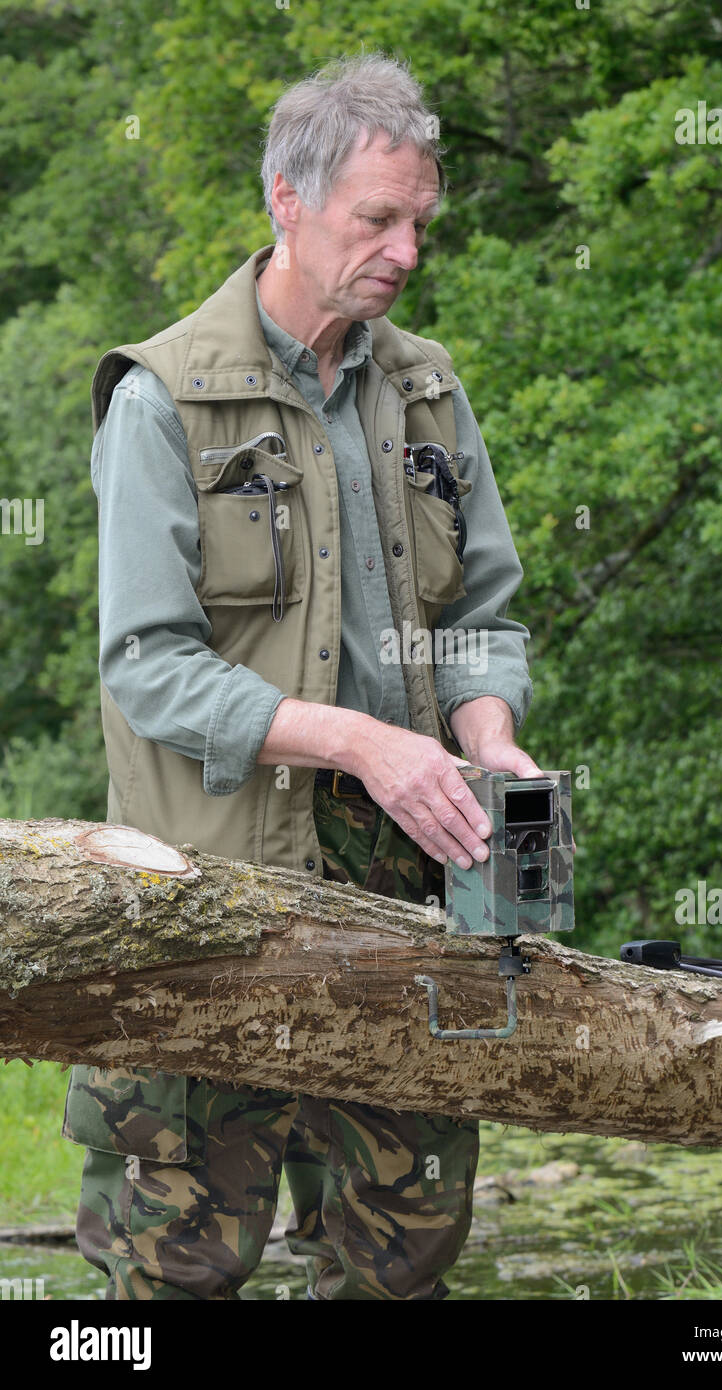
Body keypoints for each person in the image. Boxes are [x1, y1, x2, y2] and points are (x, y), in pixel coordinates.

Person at [62, 51, 538, 1301]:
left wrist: (486, 732)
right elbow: (146, 668)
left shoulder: (428, 385)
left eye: (421, 220)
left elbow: (484, 610)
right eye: (376, 217)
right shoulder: (163, 399)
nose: (407, 249)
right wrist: (360, 740)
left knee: (399, 1253)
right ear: (286, 199)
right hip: (212, 888)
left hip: (414, 874)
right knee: (181, 1264)